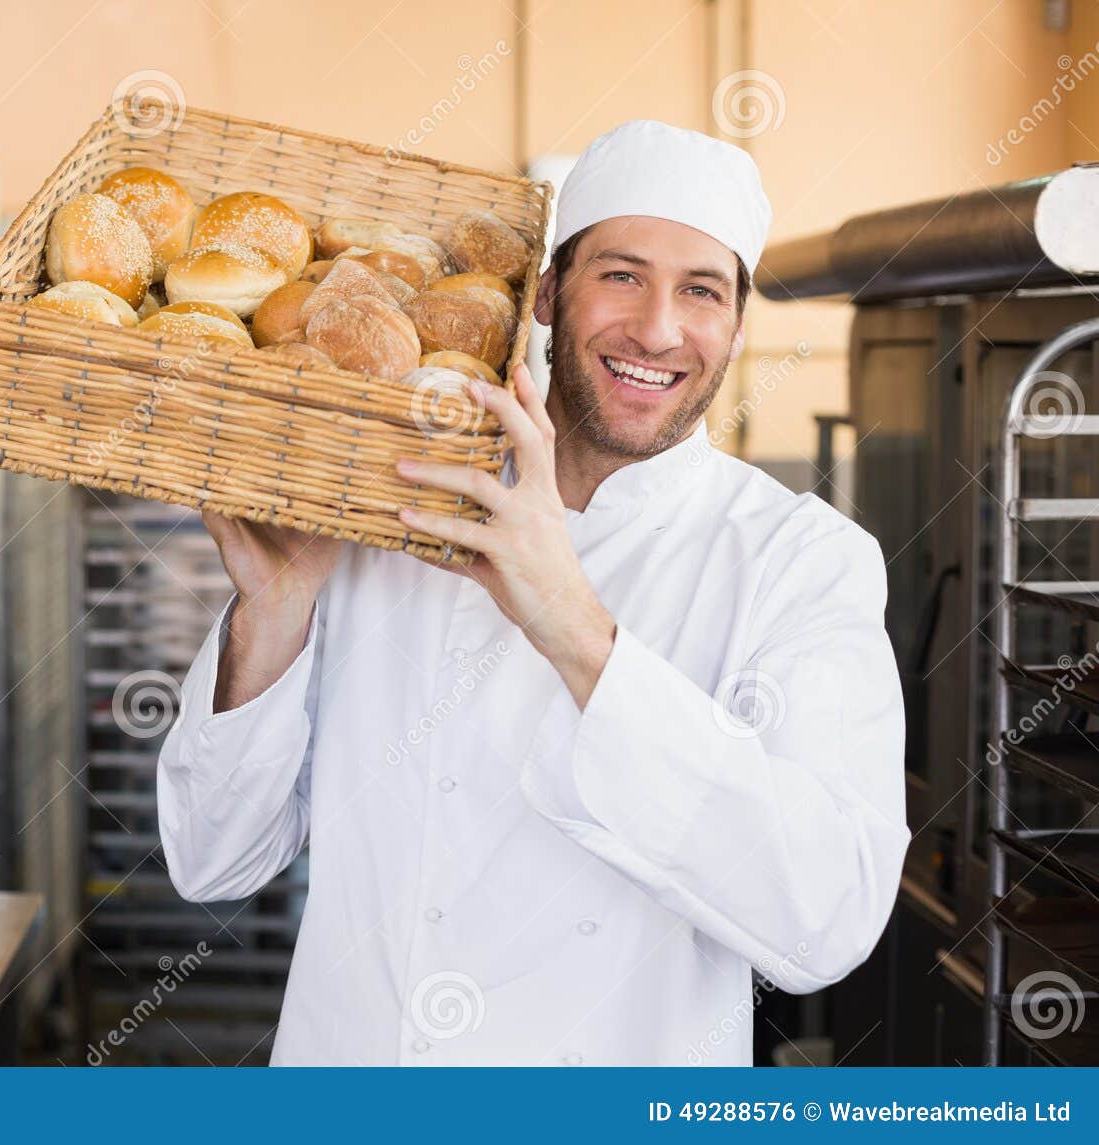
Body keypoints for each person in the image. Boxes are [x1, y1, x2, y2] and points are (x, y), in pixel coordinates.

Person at [156, 119, 910, 1065]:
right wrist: (271, 614)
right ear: (549, 291)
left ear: (738, 325)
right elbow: (211, 859)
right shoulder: (390, 494)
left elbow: (824, 926)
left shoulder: (798, 560)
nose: (658, 329)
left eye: (701, 291)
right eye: (622, 275)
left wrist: (578, 632)